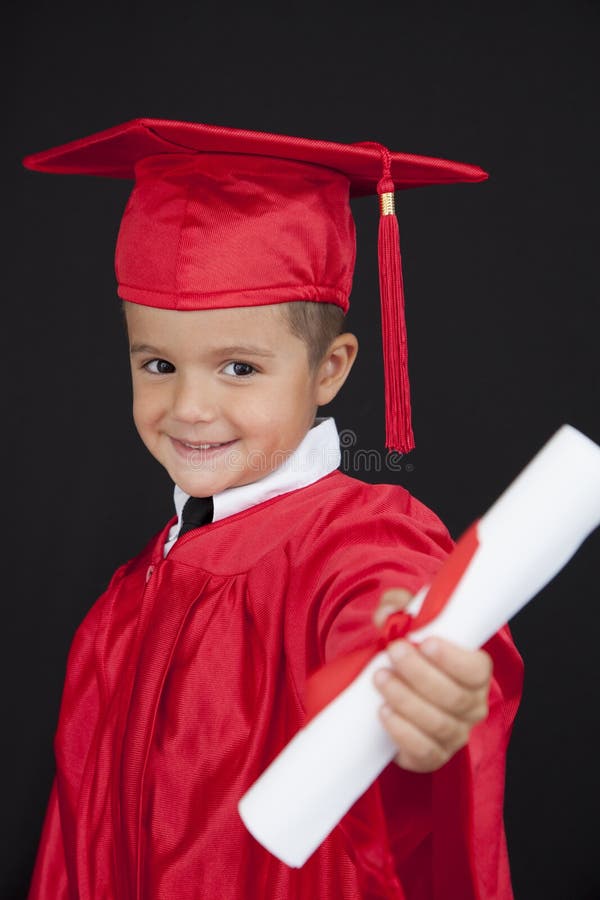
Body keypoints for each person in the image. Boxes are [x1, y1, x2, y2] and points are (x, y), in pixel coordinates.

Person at [23, 118, 523, 899]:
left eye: (239, 367)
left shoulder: (356, 543)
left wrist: (423, 687)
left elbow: (390, 613)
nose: (189, 407)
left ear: (330, 368)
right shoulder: (122, 606)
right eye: (158, 363)